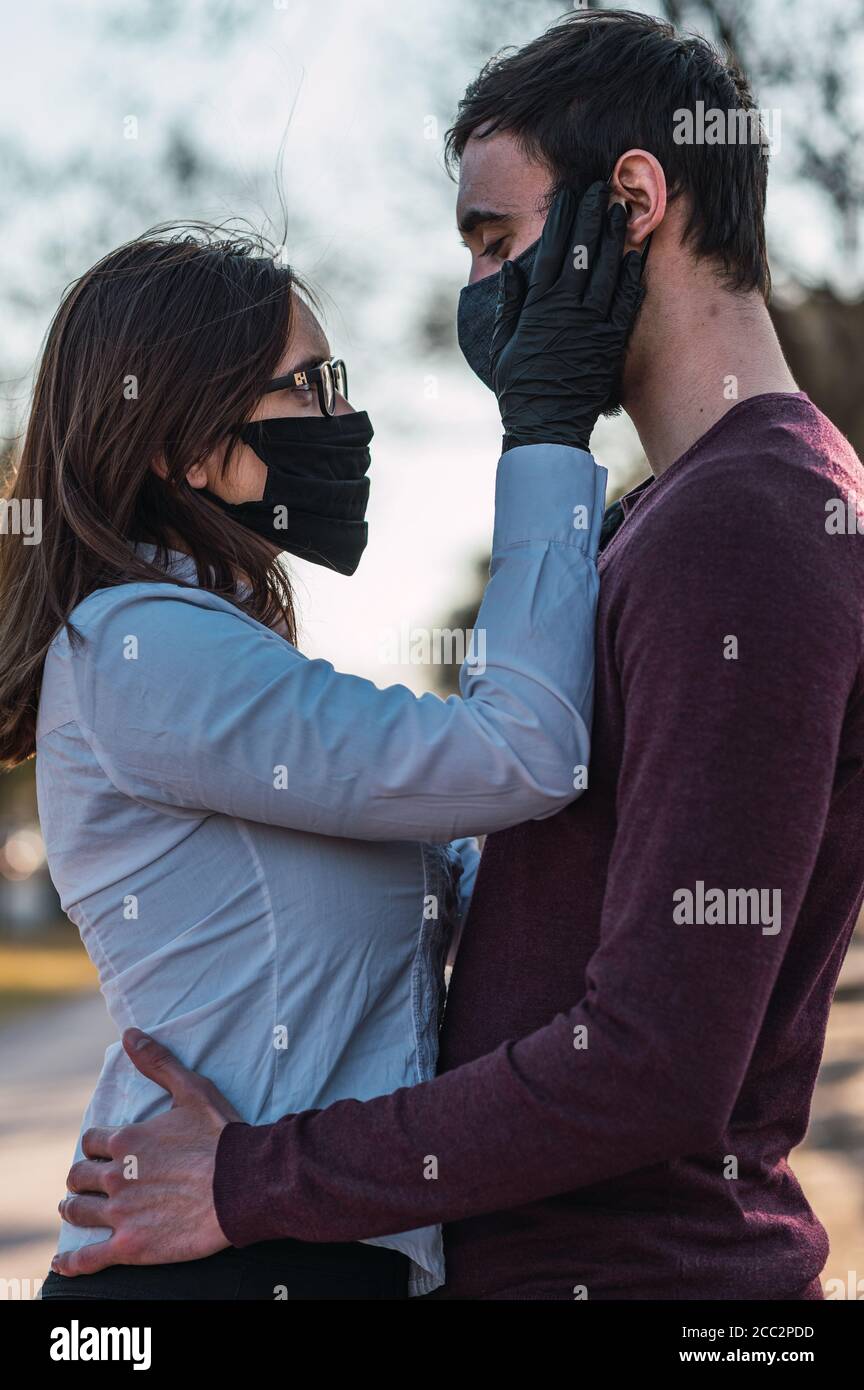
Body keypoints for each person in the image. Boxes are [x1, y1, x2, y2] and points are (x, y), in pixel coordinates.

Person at [51, 10, 864, 1301]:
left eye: (495, 240)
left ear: (635, 201)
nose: (480, 293)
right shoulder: (671, 518)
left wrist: (256, 1176)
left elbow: (653, 1055)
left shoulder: (746, 524)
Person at [0, 181, 643, 1298]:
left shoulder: (190, 645)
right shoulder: (143, 650)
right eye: (313, 385)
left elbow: (477, 852)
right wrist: (546, 441)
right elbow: (522, 752)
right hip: (214, 1271)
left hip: (275, 1242)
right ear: (191, 445)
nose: (346, 418)